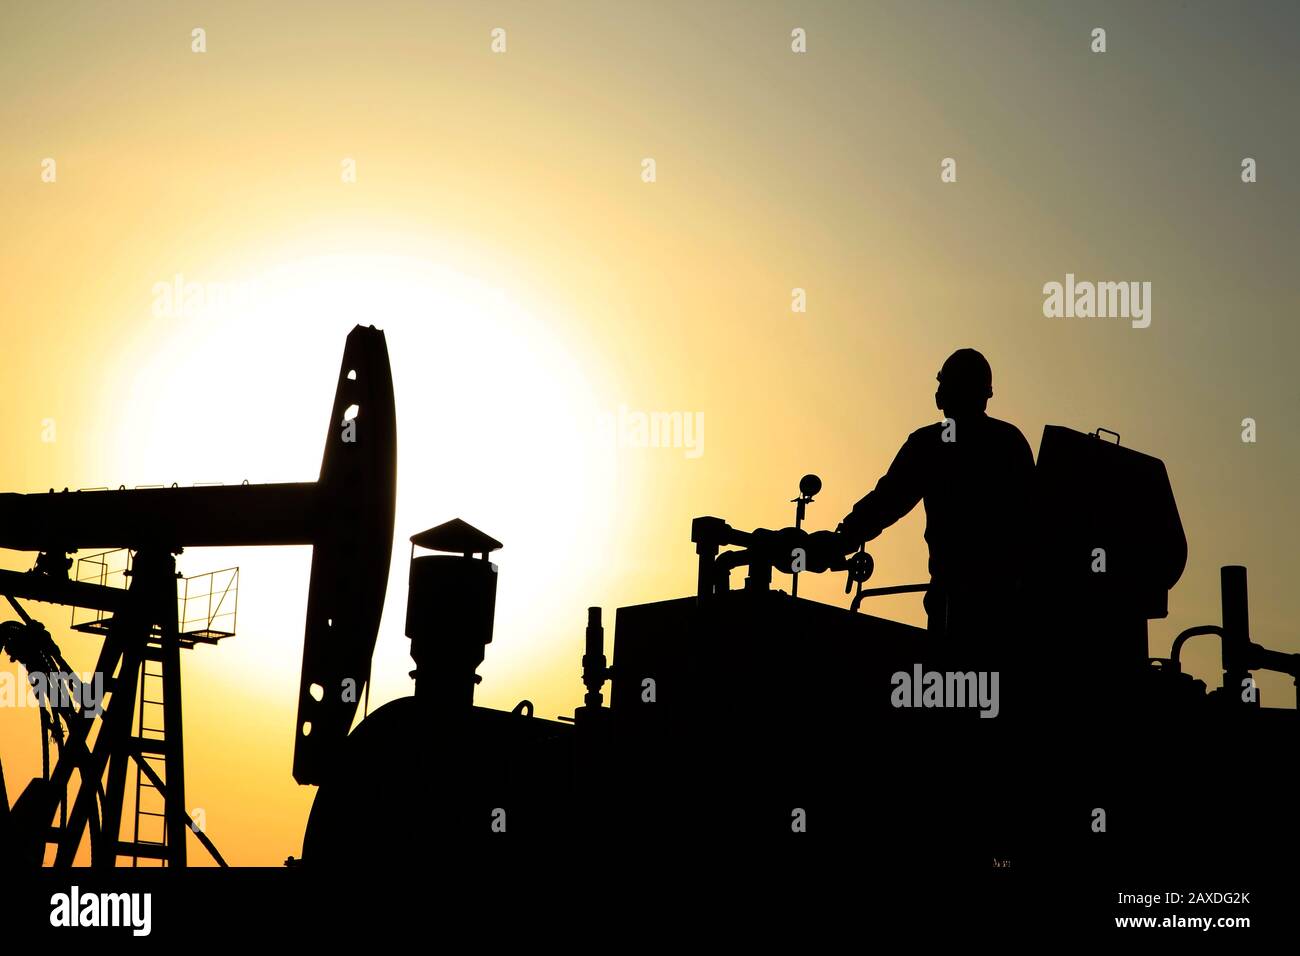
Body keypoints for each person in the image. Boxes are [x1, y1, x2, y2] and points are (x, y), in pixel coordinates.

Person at [837, 349, 1034, 645]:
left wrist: (843, 537)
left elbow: (887, 501)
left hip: (956, 607)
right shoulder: (1010, 441)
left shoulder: (931, 445)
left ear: (951, 391)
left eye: (944, 384)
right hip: (1009, 610)